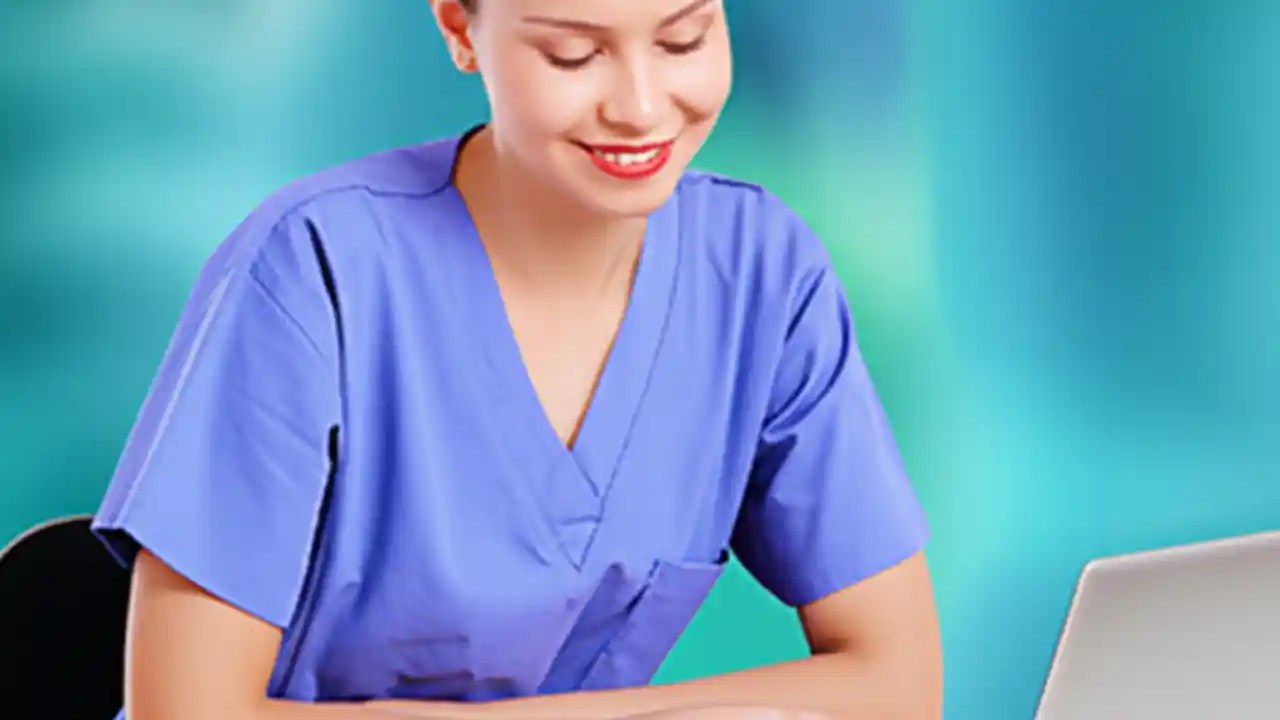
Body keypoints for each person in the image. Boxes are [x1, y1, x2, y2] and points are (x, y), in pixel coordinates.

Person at [90, 1, 943, 718]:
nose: (641, 107)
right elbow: (186, 711)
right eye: (573, 55)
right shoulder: (314, 268)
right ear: (460, 28)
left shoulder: (762, 273)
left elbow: (897, 683)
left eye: (684, 40)